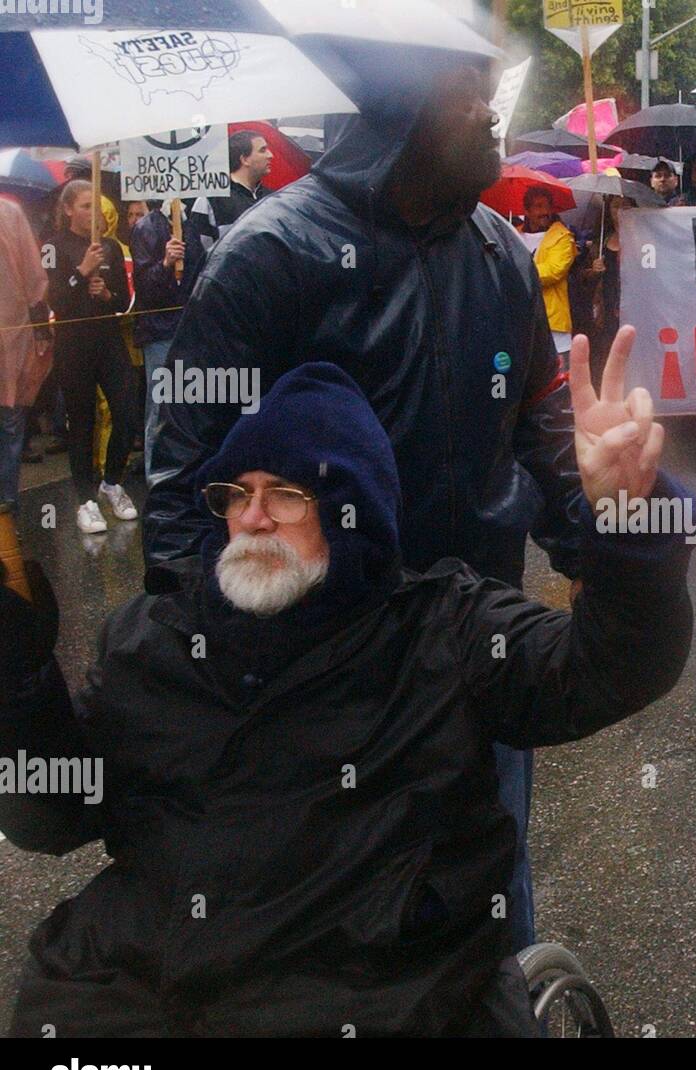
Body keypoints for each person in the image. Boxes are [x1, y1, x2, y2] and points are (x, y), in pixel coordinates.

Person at [0, 338, 695, 1037]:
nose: (253, 515)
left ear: (350, 512)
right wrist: (17, 676)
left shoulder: (443, 630)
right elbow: (49, 817)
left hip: (368, 997)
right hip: (131, 998)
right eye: (236, 492)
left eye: (287, 494)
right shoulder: (151, 637)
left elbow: (610, 667)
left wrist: (628, 519)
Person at [146, 47, 591, 958]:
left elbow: (549, 445)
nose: (491, 111)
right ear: (402, 101)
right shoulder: (270, 254)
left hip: (476, 650)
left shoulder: (500, 254)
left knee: (487, 918)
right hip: (322, 675)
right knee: (333, 943)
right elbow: (180, 487)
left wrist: (617, 543)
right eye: (470, 88)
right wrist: (230, 663)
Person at [45, 180, 138, 534]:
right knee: (82, 422)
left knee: (127, 412)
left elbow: (123, 301)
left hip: (108, 340)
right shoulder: (53, 246)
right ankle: (86, 499)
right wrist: (81, 272)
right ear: (68, 209)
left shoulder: (111, 247)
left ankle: (112, 482)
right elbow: (55, 300)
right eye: (85, 206)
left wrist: (107, 294)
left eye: (95, 206)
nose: (92, 213)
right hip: (73, 344)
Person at [130, 201, 196, 480]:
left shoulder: (193, 224)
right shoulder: (145, 227)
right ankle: (155, 479)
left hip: (189, 327)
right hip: (159, 332)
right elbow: (144, 288)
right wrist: (167, 263)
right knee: (159, 408)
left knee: (188, 404)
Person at [0, 197, 52, 508]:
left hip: (11, 337)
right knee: (9, 423)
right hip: (10, 340)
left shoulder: (9, 213)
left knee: (10, 422)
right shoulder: (10, 213)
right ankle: (6, 510)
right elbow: (35, 280)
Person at [187, 129, 273, 264]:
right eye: (263, 150)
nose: (270, 155)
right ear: (244, 159)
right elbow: (199, 255)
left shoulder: (273, 199)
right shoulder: (211, 199)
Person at [573, 195, 633, 378]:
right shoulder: (601, 242)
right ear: (609, 211)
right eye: (616, 207)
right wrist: (594, 270)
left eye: (625, 206)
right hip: (605, 307)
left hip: (632, 306)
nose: (620, 211)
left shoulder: (641, 239)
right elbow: (583, 278)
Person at [519, 185, 577, 367]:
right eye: (537, 206)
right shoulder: (513, 234)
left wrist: (517, 271)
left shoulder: (563, 237)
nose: (544, 212)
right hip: (523, 322)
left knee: (558, 383)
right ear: (527, 211)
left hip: (554, 325)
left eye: (547, 206)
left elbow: (553, 271)